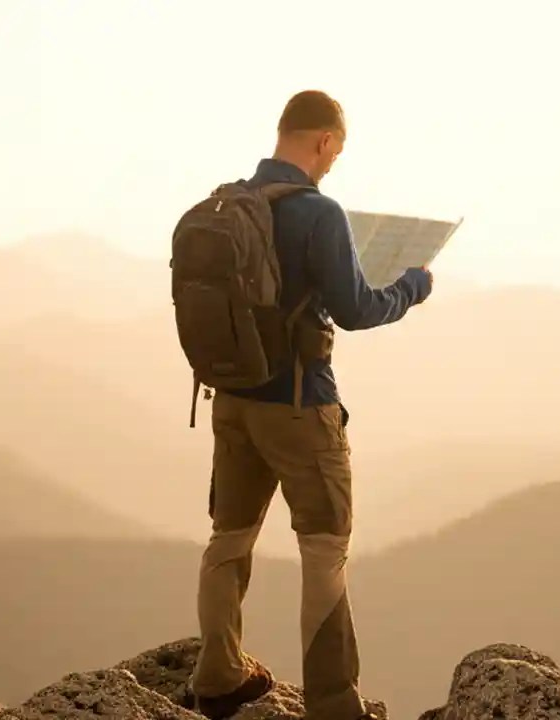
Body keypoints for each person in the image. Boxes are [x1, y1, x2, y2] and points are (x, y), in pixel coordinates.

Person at [190, 90, 434, 720]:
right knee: (324, 548)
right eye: (335, 153)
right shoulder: (320, 214)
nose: (332, 166)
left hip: (233, 401)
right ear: (323, 141)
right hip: (300, 406)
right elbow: (354, 309)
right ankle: (333, 704)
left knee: (229, 539)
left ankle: (216, 677)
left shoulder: (231, 203)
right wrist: (410, 286)